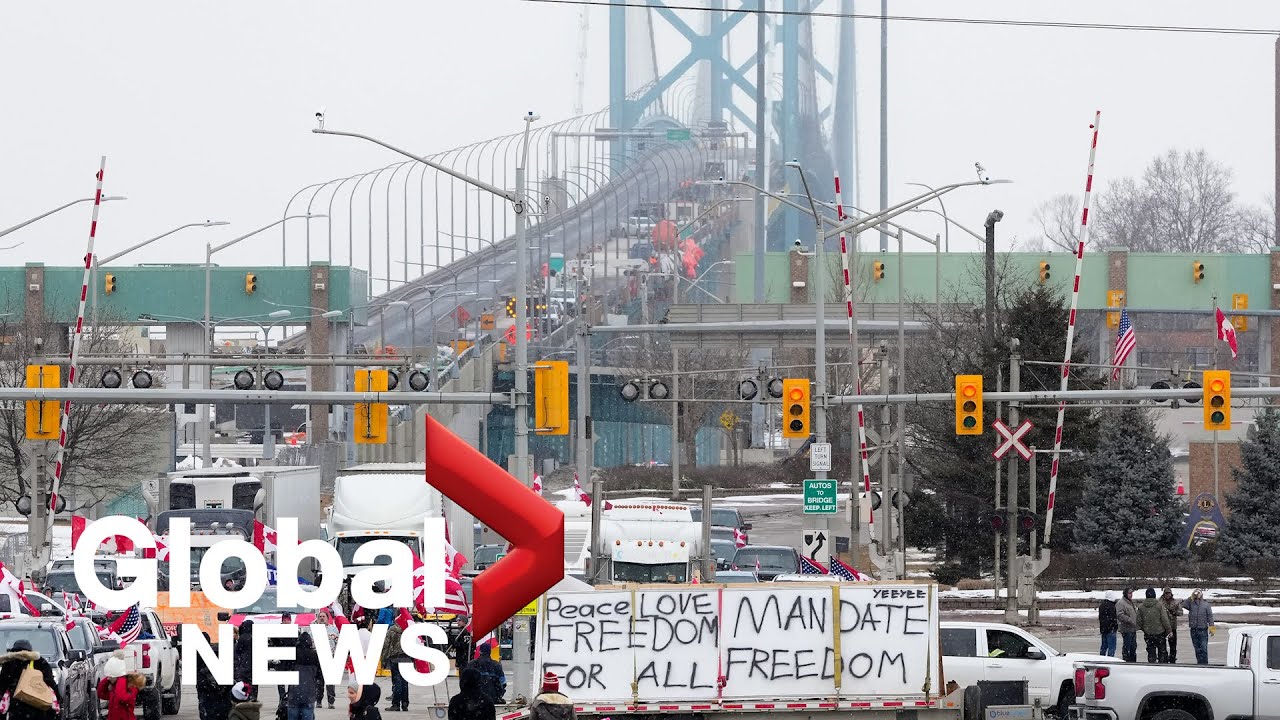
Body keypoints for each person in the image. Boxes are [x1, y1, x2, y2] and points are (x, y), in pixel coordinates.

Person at [0, 639, 60, 720]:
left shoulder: (9, 663)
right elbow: (49, 681)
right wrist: (58, 697)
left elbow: (3, 684)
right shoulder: (39, 661)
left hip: (16, 705)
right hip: (37, 703)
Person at [195, 632, 232, 720]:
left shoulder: (197, 653)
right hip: (217, 687)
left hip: (204, 685)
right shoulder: (216, 651)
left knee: (205, 706)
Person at [287, 632, 321, 720]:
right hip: (309, 691)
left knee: (293, 714)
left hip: (294, 692)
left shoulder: (293, 654)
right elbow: (319, 675)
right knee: (307, 713)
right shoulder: (315, 655)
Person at [381, 619, 409, 712]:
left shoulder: (392, 629)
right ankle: (405, 703)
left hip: (395, 658)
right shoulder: (409, 629)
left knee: (397, 681)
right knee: (405, 682)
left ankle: (396, 704)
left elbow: (386, 645)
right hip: (406, 658)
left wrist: (383, 659)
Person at [1137, 587, 1171, 663]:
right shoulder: (1159, 605)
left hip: (1148, 633)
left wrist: (1145, 628)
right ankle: (1163, 667)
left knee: (1151, 652)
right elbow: (1164, 619)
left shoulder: (1141, 607)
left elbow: (1138, 622)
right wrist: (1169, 630)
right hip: (1160, 633)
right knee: (1162, 652)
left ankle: (1152, 667)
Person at [1182, 588, 1215, 665]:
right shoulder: (1191, 603)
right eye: (1196, 593)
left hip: (1203, 630)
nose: (1197, 595)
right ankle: (1199, 664)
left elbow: (1210, 617)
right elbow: (1183, 604)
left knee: (1203, 649)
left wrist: (1212, 629)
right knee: (1197, 649)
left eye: (1198, 593)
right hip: (1193, 630)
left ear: (1202, 594)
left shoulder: (1206, 605)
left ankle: (1205, 664)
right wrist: (1191, 597)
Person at [314, 613, 338, 709]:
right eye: (320, 617)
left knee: (330, 682)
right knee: (319, 682)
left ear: (328, 618)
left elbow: (338, 643)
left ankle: (331, 702)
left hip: (330, 658)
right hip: (318, 658)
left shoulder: (333, 629)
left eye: (324, 616)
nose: (322, 618)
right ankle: (318, 701)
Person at [234, 620, 258, 699]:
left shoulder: (243, 638)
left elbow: (237, 651)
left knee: (244, 687)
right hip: (253, 667)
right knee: (253, 687)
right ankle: (253, 700)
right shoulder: (254, 637)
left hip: (244, 666)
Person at [1116, 587, 1139, 663]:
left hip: (1132, 628)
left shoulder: (1130, 602)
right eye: (1129, 593)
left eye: (1131, 593)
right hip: (1126, 629)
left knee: (1133, 647)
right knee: (1127, 647)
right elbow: (1119, 615)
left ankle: (1133, 661)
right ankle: (1126, 661)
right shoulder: (1121, 603)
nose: (1131, 595)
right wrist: (1129, 620)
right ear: (1125, 594)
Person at [1160, 588, 1183, 663]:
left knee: (1173, 645)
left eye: (1169, 593)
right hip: (1163, 627)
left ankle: (1172, 657)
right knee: (1162, 644)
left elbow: (1181, 612)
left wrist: (1175, 612)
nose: (1167, 595)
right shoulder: (1160, 602)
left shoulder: (1175, 602)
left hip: (1172, 626)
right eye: (1166, 593)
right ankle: (1164, 657)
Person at [1097, 591, 1118, 657]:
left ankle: (1101, 658)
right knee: (1112, 647)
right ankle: (1110, 659)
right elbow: (1113, 617)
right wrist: (1115, 625)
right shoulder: (1111, 606)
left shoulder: (1102, 605)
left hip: (1104, 629)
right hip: (1111, 629)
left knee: (1104, 646)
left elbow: (1101, 617)